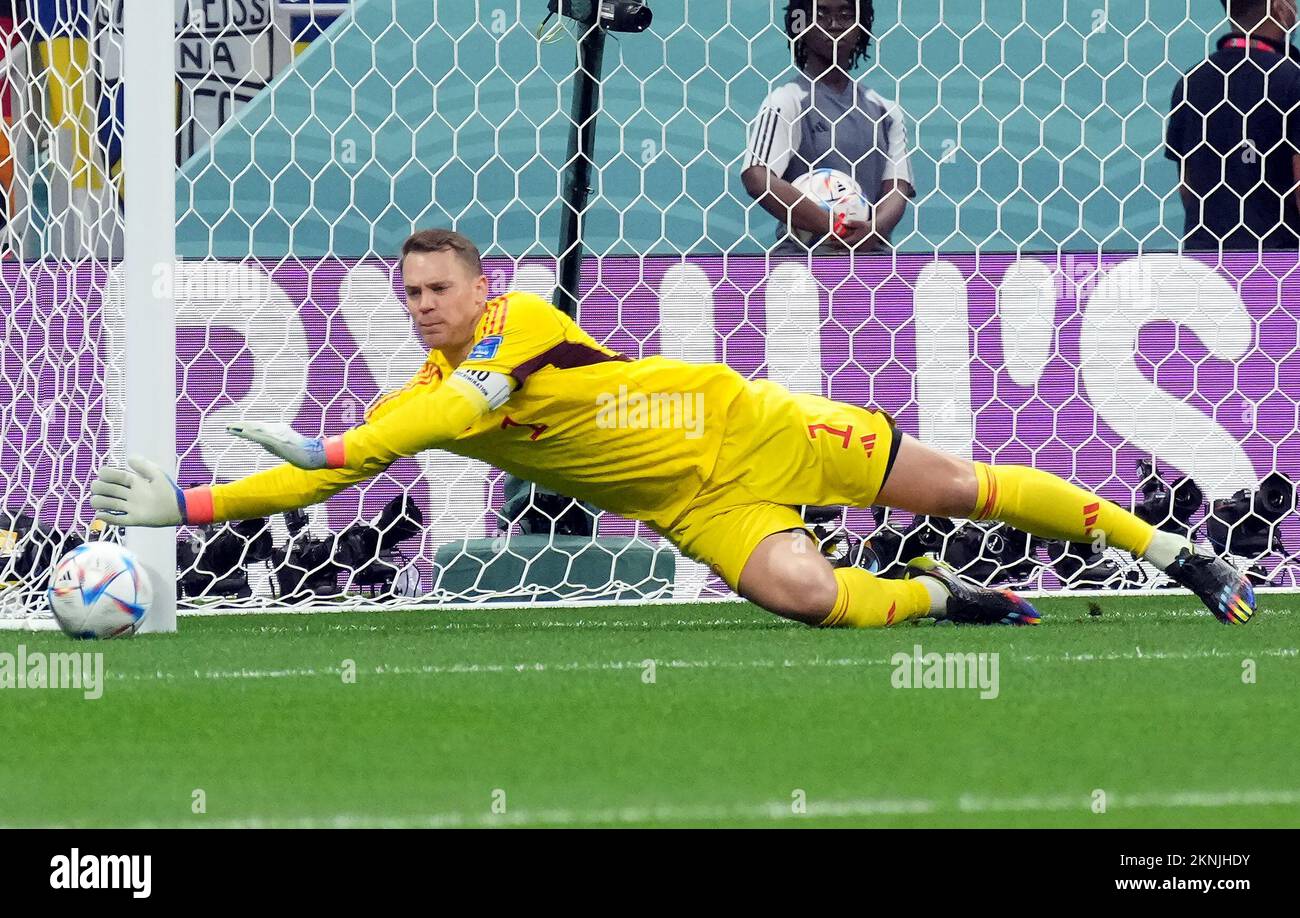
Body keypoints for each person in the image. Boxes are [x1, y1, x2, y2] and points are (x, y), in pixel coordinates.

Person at [90, 228, 1256, 628]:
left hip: (750, 425)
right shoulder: (421, 393)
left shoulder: (522, 322)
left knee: (957, 483)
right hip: (695, 507)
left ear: (479, 289)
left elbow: (446, 415)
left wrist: (345, 450)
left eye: (438, 291)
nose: (425, 307)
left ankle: (1178, 553)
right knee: (809, 600)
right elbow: (313, 488)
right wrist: (181, 509)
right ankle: (939, 597)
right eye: (411, 297)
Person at [741, 0, 914, 253]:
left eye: (846, 14)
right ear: (800, 24)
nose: (834, 25)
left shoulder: (885, 110)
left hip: (872, 265)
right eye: (820, 14)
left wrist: (874, 229)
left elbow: (898, 188)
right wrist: (834, 227)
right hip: (801, 269)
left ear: (861, 26)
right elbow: (757, 177)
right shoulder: (787, 100)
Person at [1166, 0, 1300, 250]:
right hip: (1279, 267)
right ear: (1279, 8)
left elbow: (1187, 186)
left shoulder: (1190, 82)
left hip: (1206, 264)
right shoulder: (1293, 79)